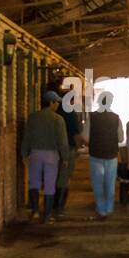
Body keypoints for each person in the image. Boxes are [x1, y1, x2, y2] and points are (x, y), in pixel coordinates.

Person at [21, 89, 69, 224]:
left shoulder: (32, 117)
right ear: (51, 103)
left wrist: (24, 153)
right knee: (49, 185)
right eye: (57, 102)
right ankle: (47, 216)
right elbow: (62, 141)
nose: (58, 105)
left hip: (35, 154)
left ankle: (35, 211)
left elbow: (27, 137)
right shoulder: (58, 119)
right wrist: (65, 157)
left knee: (34, 182)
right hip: (51, 156)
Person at [85, 90, 124, 219]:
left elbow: (85, 136)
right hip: (111, 154)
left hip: (95, 154)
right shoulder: (116, 117)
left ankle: (101, 209)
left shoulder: (91, 117)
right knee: (110, 182)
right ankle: (109, 208)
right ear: (111, 102)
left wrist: (93, 142)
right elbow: (120, 138)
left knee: (97, 183)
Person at [55, 87, 84, 217]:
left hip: (54, 149)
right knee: (64, 178)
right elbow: (76, 134)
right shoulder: (70, 113)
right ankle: (59, 206)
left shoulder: (57, 111)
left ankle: (53, 203)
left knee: (55, 176)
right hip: (68, 148)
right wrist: (79, 147)